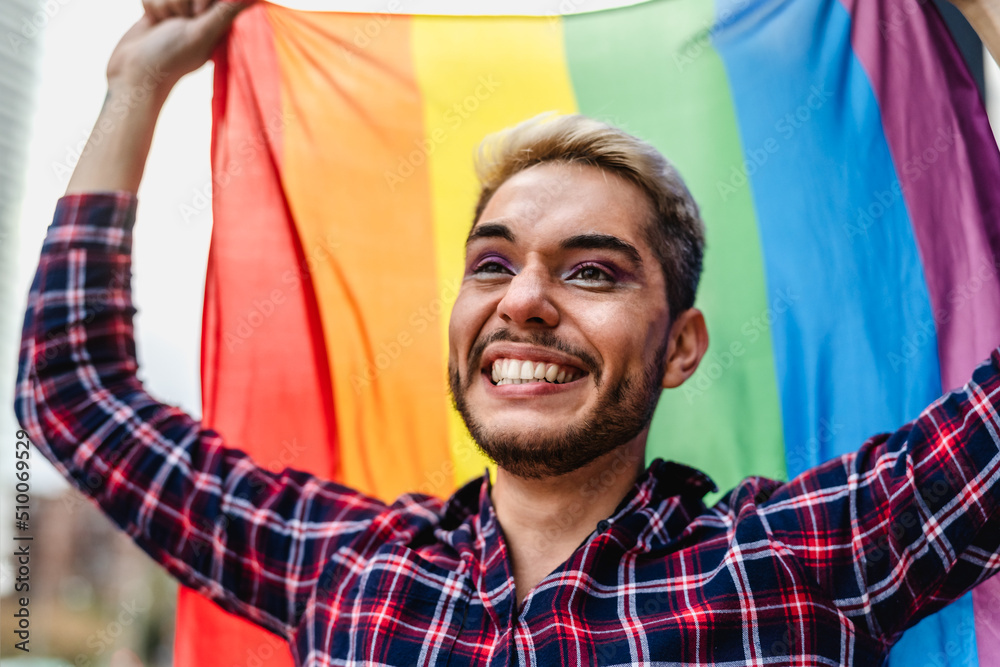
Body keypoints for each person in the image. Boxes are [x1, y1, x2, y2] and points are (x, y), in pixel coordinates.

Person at [14, 0, 1000, 664]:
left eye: (591, 270)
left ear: (682, 344)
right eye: (492, 262)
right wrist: (135, 88)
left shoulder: (801, 555)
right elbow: (73, 398)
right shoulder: (350, 563)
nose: (522, 300)